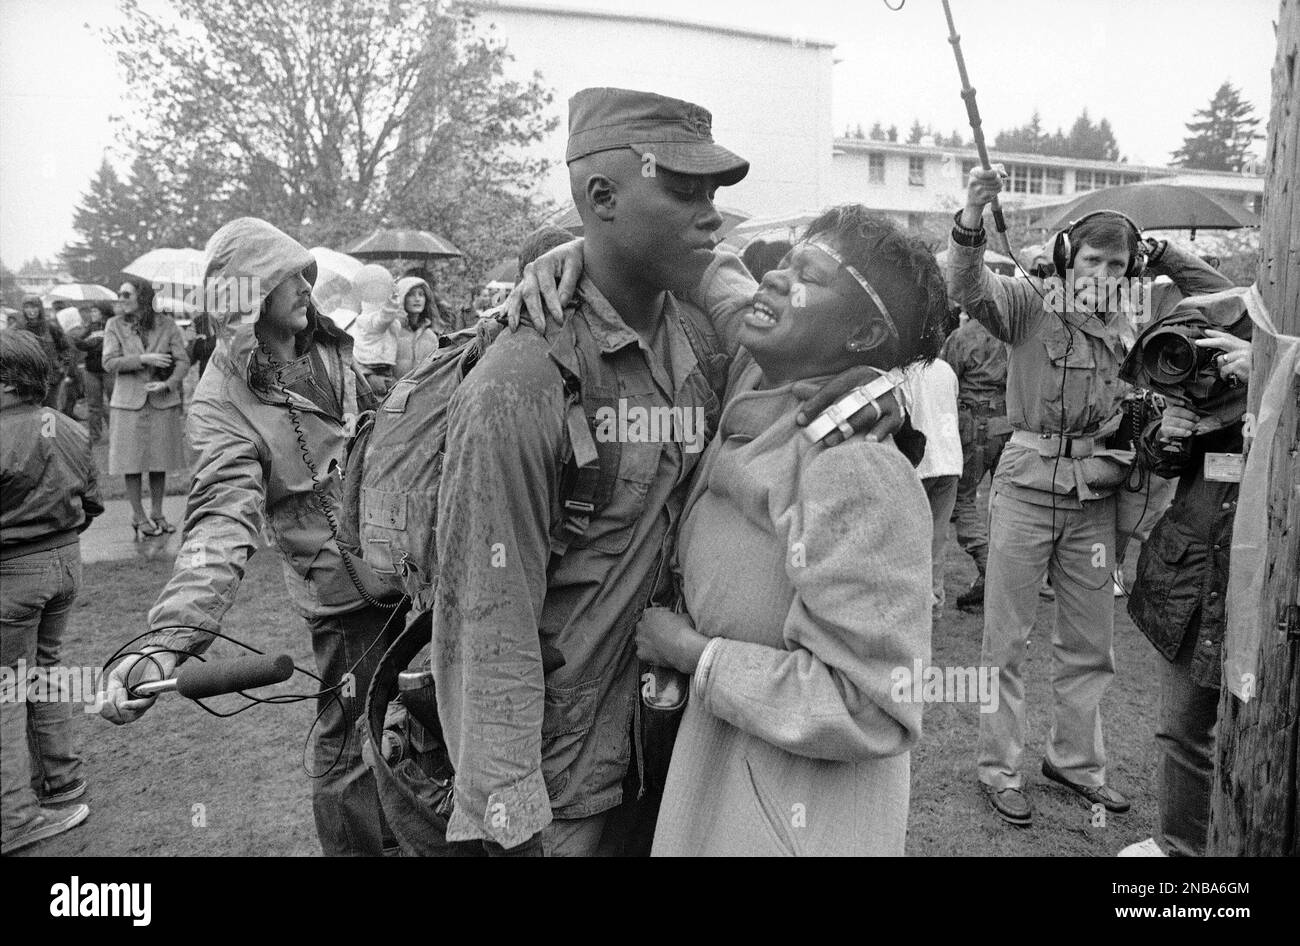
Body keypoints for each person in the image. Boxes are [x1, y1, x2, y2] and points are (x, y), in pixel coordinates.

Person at [431, 88, 903, 856]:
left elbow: (824, 345)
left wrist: (888, 390)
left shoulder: (704, 346)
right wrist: (510, 818)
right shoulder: (522, 381)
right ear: (602, 196)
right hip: (564, 782)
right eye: (684, 191)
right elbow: (484, 616)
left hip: (674, 752)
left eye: (714, 193)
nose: (712, 214)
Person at [639, 207, 940, 856]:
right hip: (720, 770)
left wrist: (693, 654)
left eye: (810, 274)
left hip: (797, 814)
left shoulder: (858, 467)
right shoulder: (763, 377)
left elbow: (872, 705)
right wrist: (562, 259)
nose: (774, 278)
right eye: (785, 260)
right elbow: (710, 269)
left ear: (862, 332)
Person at [98, 217, 402, 857]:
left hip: (408, 573)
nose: (303, 283)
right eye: (282, 275)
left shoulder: (328, 347)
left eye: (301, 270)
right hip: (345, 602)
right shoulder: (217, 403)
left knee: (410, 727)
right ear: (246, 299)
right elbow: (218, 524)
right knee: (350, 747)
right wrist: (171, 637)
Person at [948, 166, 1233, 826]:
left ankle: (1075, 763)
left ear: (1132, 267)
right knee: (1006, 642)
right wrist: (969, 215)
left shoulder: (1139, 332)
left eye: (1118, 261)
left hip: (1096, 499)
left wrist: (1168, 253)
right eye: (1093, 258)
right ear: (1069, 258)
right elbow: (964, 285)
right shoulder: (1022, 305)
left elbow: (1228, 303)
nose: (1103, 271)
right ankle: (998, 767)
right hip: (1023, 491)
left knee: (1090, 647)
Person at [1123, 301, 1252, 857]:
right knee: (1181, 729)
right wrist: (1166, 433)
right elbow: (1165, 464)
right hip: (1194, 576)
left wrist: (1275, 369)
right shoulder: (1212, 380)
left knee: (1263, 730)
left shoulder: (1270, 360)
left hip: (1263, 581)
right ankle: (1182, 851)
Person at [1, 329, 103, 854]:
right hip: (64, 562)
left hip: (13, 572)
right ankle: (62, 783)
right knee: (44, 669)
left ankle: (14, 817)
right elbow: (92, 503)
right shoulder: (67, 426)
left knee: (6, 690)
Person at [102, 276, 188, 538]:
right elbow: (109, 362)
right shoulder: (114, 325)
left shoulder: (167, 325)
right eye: (119, 294)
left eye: (126, 294)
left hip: (162, 402)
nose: (120, 299)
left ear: (142, 296)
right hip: (128, 404)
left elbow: (183, 361)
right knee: (132, 463)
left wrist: (169, 384)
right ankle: (138, 515)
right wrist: (143, 359)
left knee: (159, 461)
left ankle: (158, 512)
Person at [940, 310, 1011, 611]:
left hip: (974, 427)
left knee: (962, 501)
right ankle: (1009, 574)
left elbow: (946, 379)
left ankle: (990, 571)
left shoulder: (963, 336)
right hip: (1008, 425)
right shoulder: (1014, 335)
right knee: (1008, 505)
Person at [902, 354, 962, 618]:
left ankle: (913, 601)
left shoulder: (903, 372)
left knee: (910, 535)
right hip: (949, 458)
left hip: (920, 460)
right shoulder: (946, 369)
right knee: (937, 535)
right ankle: (934, 599)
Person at [348, 264, 401, 396]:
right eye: (371, 287)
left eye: (379, 286)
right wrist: (394, 297)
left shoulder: (386, 318)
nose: (376, 289)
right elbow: (383, 319)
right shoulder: (366, 319)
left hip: (385, 369)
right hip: (370, 370)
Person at [16, 295, 73, 411]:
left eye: (34, 307)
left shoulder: (51, 327)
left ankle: (51, 429)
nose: (31, 311)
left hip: (51, 377)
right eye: (27, 307)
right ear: (23, 310)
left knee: (50, 410)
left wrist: (62, 367)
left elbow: (66, 348)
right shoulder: (18, 328)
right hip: (28, 377)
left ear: (40, 308)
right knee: (30, 411)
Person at [72, 302, 114, 444]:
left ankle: (117, 433)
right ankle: (95, 436)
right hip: (91, 369)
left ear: (103, 312)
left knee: (114, 402)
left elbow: (112, 344)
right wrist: (94, 342)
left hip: (109, 369)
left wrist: (95, 343)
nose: (92, 314)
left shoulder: (112, 325)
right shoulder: (90, 327)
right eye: (92, 311)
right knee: (93, 405)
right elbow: (79, 342)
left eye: (95, 311)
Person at [392, 276, 440, 380]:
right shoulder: (392, 331)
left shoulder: (431, 336)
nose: (417, 299)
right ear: (402, 297)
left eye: (421, 294)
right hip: (392, 392)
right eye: (411, 294)